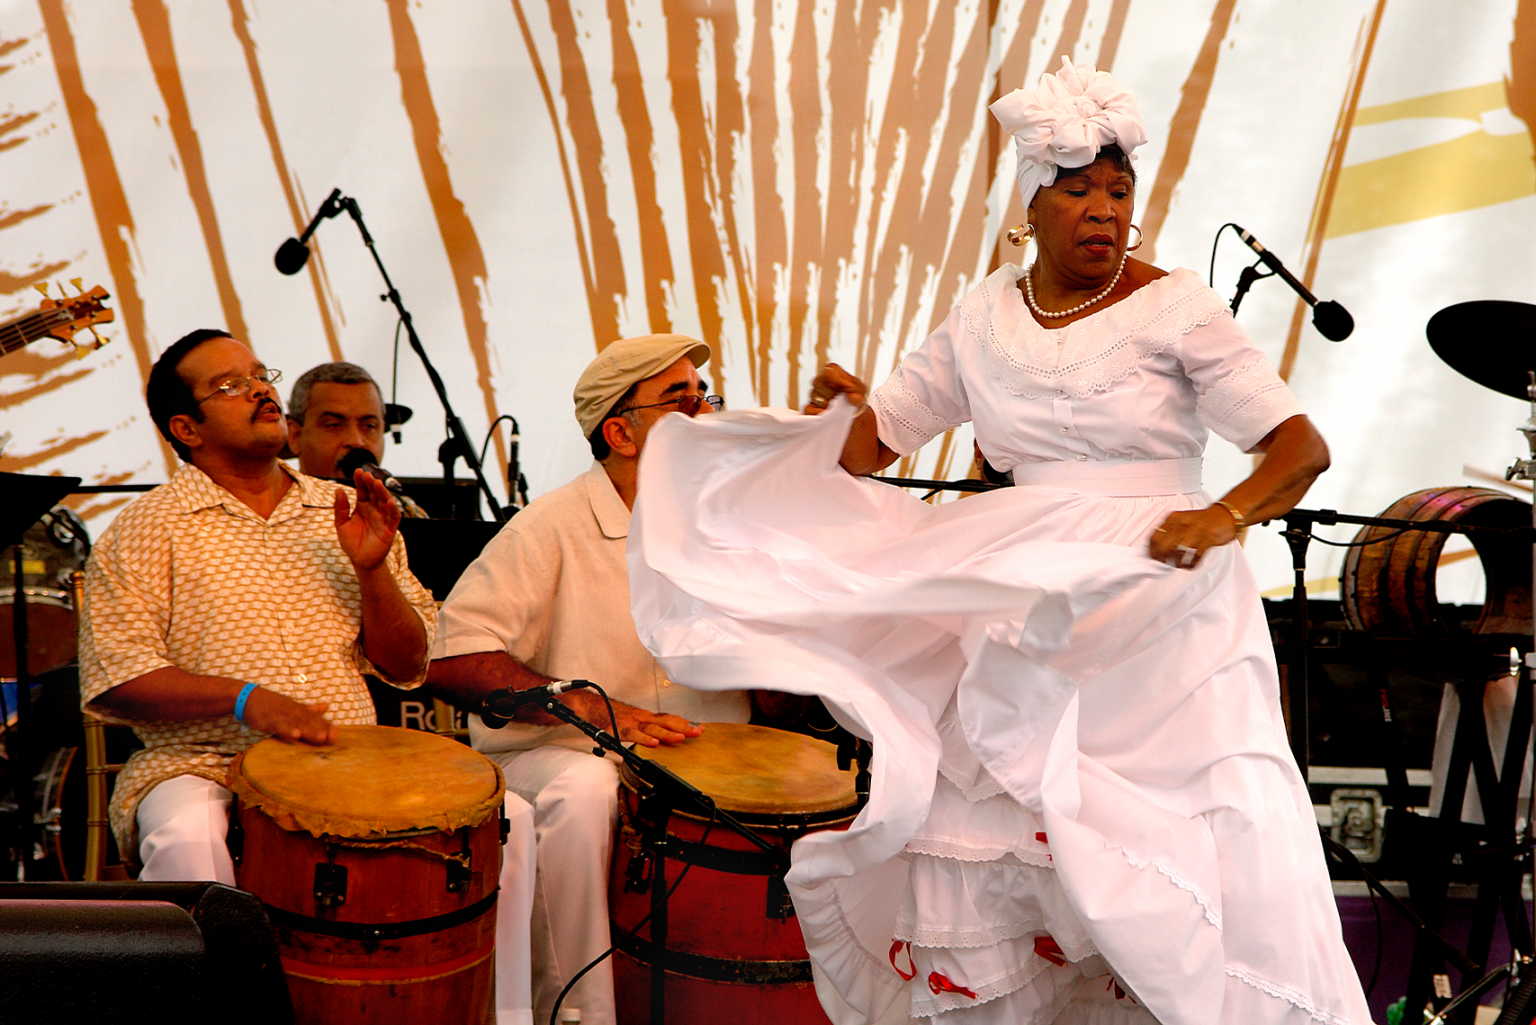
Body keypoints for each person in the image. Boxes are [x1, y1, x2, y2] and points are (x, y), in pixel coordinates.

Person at [624, 58, 1371, 1025]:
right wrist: (828, 420)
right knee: (997, 824)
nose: (1104, 208)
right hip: (1024, 581)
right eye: (1079, 190)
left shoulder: (1179, 304)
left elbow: (1299, 448)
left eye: (1119, 188)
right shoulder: (981, 314)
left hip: (1160, 596)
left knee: (1180, 838)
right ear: (1031, 205)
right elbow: (875, 439)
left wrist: (1221, 515)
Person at [427, 334, 753, 1025]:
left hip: (705, 759)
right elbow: (452, 658)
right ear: (619, 432)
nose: (704, 410)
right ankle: (576, 1012)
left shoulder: (733, 525)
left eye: (707, 394)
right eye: (681, 398)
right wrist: (588, 708)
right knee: (585, 789)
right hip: (560, 756)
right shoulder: (550, 524)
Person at [286, 360, 427, 517]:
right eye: (334, 425)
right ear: (295, 436)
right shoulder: (275, 513)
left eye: (369, 426)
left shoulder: (405, 511)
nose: (356, 441)